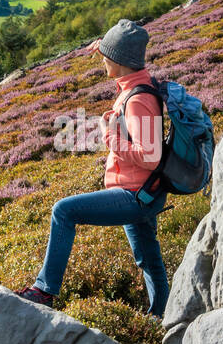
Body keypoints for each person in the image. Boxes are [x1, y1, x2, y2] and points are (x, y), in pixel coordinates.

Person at [17, 18, 170, 317]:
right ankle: (161, 317)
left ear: (121, 61)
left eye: (106, 56)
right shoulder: (134, 85)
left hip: (135, 194)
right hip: (142, 191)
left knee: (64, 211)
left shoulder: (139, 99)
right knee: (148, 259)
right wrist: (103, 44)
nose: (102, 60)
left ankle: (45, 290)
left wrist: (108, 133)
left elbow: (149, 155)